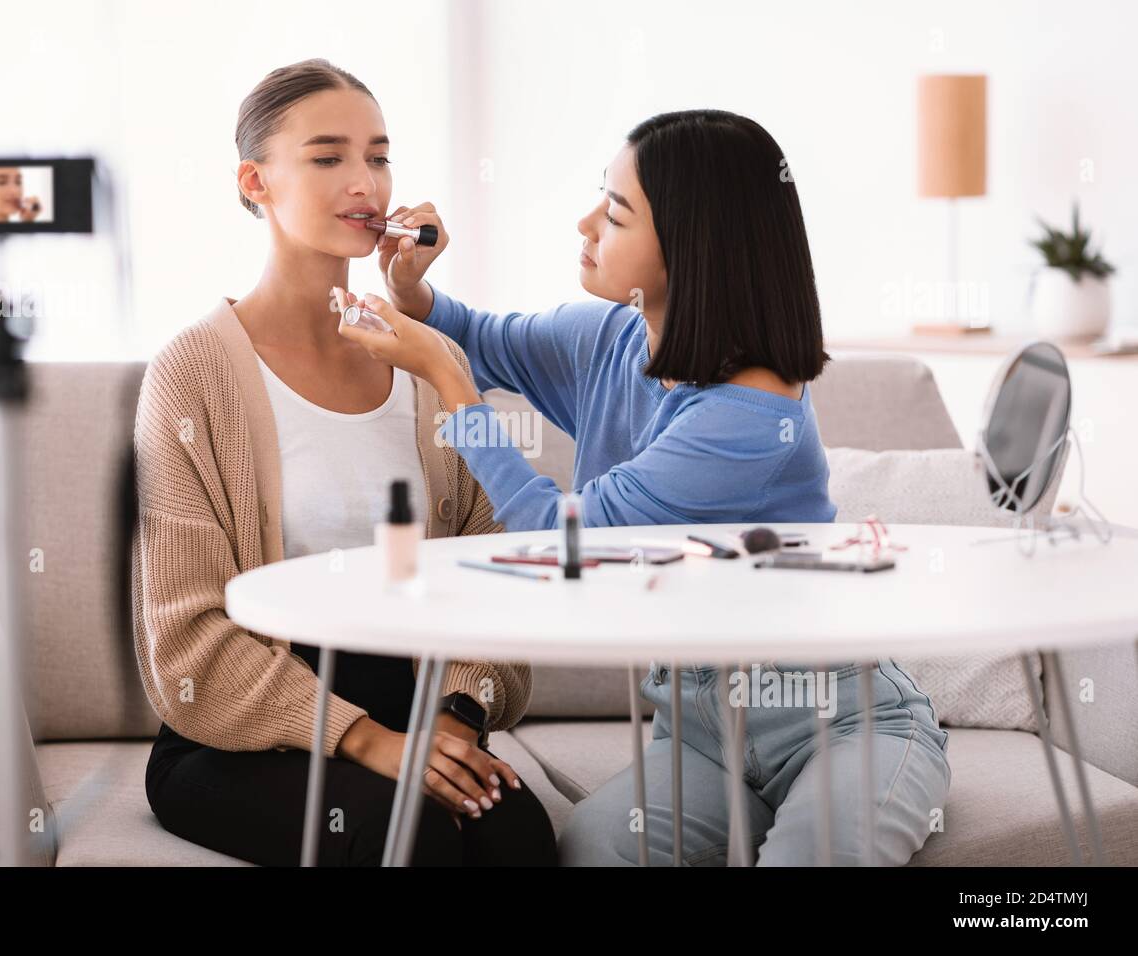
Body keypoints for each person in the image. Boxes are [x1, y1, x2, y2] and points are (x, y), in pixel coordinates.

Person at [337, 108, 950, 866]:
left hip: (842, 725)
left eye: (617, 212)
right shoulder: (616, 337)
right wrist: (410, 288)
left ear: (692, 248)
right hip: (698, 737)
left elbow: (563, 542)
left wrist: (447, 383)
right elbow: (481, 338)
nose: (587, 221)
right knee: (594, 851)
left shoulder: (749, 419)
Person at [132, 59, 558, 866]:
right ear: (255, 181)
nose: (365, 181)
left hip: (425, 716)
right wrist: (364, 739)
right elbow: (183, 636)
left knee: (518, 840)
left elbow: (499, 570)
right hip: (246, 734)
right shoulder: (193, 372)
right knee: (409, 839)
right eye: (328, 158)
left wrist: (457, 720)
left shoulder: (428, 363)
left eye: (378, 155)